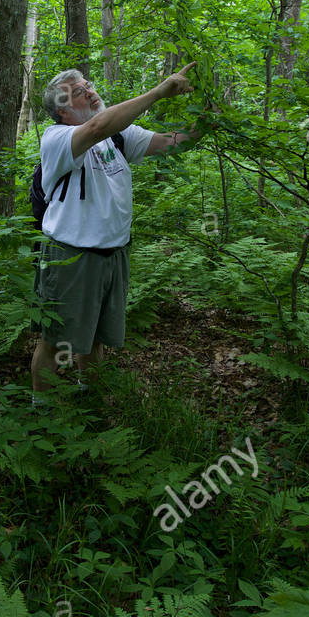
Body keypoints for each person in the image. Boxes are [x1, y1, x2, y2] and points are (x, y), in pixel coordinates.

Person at [30, 65, 199, 398]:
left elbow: (172, 144)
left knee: (93, 336)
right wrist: (158, 91)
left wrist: (207, 120)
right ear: (63, 111)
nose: (91, 92)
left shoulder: (119, 136)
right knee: (56, 340)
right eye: (79, 92)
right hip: (70, 258)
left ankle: (88, 397)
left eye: (88, 86)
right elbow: (96, 127)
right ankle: (41, 410)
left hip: (113, 254)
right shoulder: (58, 140)